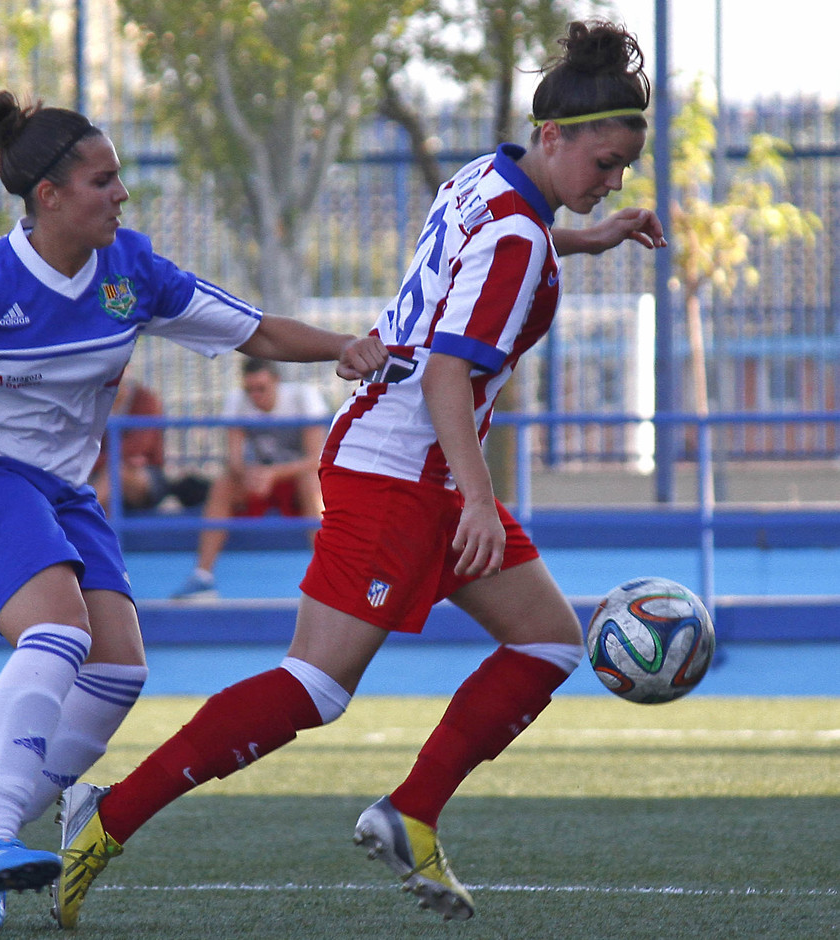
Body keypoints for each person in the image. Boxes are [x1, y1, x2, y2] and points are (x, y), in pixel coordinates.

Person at [54, 19, 666, 927]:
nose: (612, 180)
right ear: (553, 137)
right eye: (605, 164)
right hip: (403, 472)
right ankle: (106, 817)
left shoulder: (486, 181)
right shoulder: (519, 239)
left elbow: (501, 247)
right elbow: (454, 368)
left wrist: (591, 236)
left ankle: (412, 811)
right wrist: (483, 500)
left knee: (547, 639)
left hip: (414, 463)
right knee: (316, 686)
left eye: (622, 170)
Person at [0, 90, 387, 928]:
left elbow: (254, 332)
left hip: (59, 488)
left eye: (120, 178)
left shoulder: (131, 271)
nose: (121, 194)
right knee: (58, 632)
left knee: (119, 667)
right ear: (49, 196)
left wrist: (343, 348)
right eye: (103, 180)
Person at [172, 356, 328, 600]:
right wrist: (250, 475)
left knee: (312, 484)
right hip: (260, 479)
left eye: (261, 388)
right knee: (223, 486)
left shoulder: (303, 397)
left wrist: (273, 474)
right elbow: (233, 460)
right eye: (250, 389)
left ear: (277, 381)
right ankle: (202, 576)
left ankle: (326, 574)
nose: (255, 395)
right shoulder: (237, 401)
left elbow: (316, 459)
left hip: (296, 479)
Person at [89, 375, 169, 513]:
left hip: (146, 474)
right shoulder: (91, 401)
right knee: (111, 478)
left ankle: (85, 515)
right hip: (99, 473)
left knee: (116, 472)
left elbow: (141, 444)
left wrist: (98, 460)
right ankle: (91, 520)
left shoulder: (145, 399)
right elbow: (82, 447)